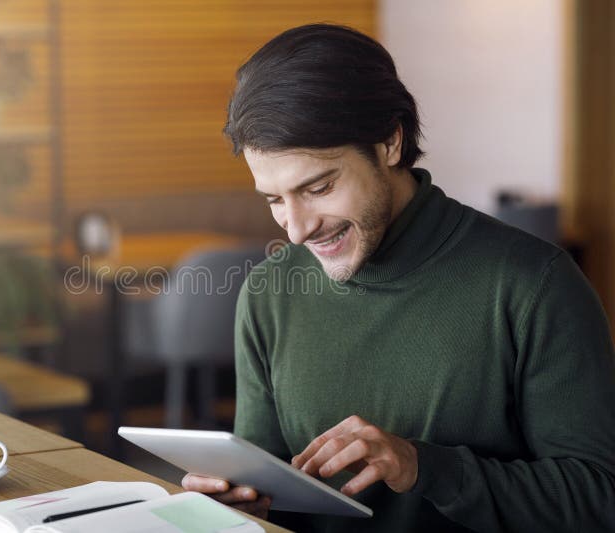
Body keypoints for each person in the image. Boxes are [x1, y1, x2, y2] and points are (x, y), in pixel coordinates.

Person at [181, 23, 615, 532]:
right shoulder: (269, 292)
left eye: (318, 187)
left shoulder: (534, 285)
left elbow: (598, 499)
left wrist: (421, 467)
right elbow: (270, 487)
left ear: (390, 142)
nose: (296, 231)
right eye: (275, 200)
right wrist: (241, 503)